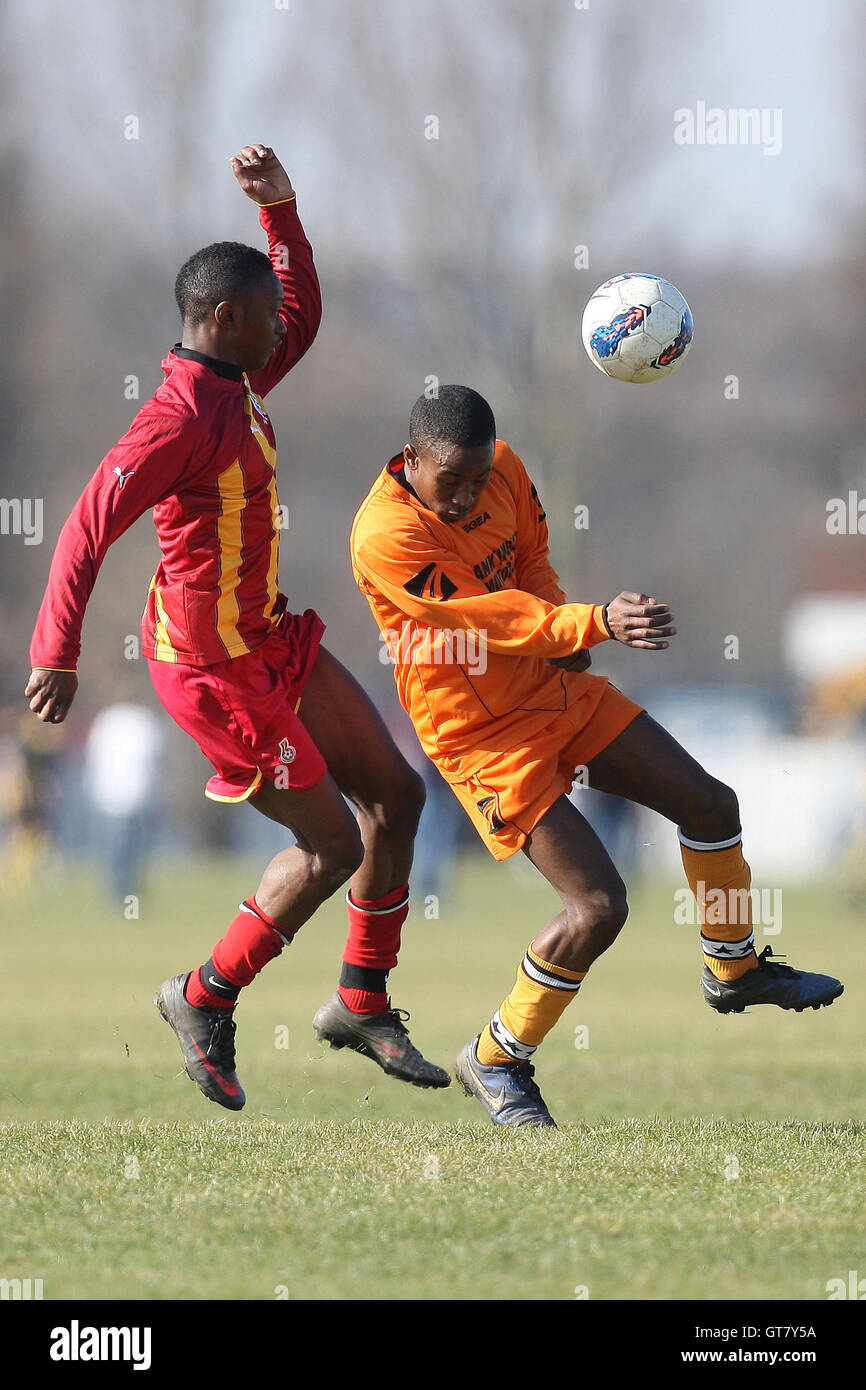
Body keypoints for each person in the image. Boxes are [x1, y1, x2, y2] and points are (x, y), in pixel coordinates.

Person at [25, 144, 449, 1112]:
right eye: (261, 321)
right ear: (223, 322)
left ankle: (361, 1000)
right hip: (212, 671)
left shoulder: (239, 381)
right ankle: (203, 995)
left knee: (395, 790)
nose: (279, 333)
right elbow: (90, 517)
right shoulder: (177, 418)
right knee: (334, 844)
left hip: (266, 639)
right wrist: (57, 647)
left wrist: (282, 213)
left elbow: (301, 310)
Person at [349, 384, 844, 1128]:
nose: (467, 496)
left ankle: (734, 968)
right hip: (482, 736)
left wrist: (573, 639)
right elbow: (486, 615)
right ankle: (497, 1056)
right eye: (450, 483)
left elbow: (531, 567)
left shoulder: (504, 467)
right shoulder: (382, 535)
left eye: (478, 480)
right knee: (598, 906)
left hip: (552, 688)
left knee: (711, 804)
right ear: (411, 459)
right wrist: (592, 622)